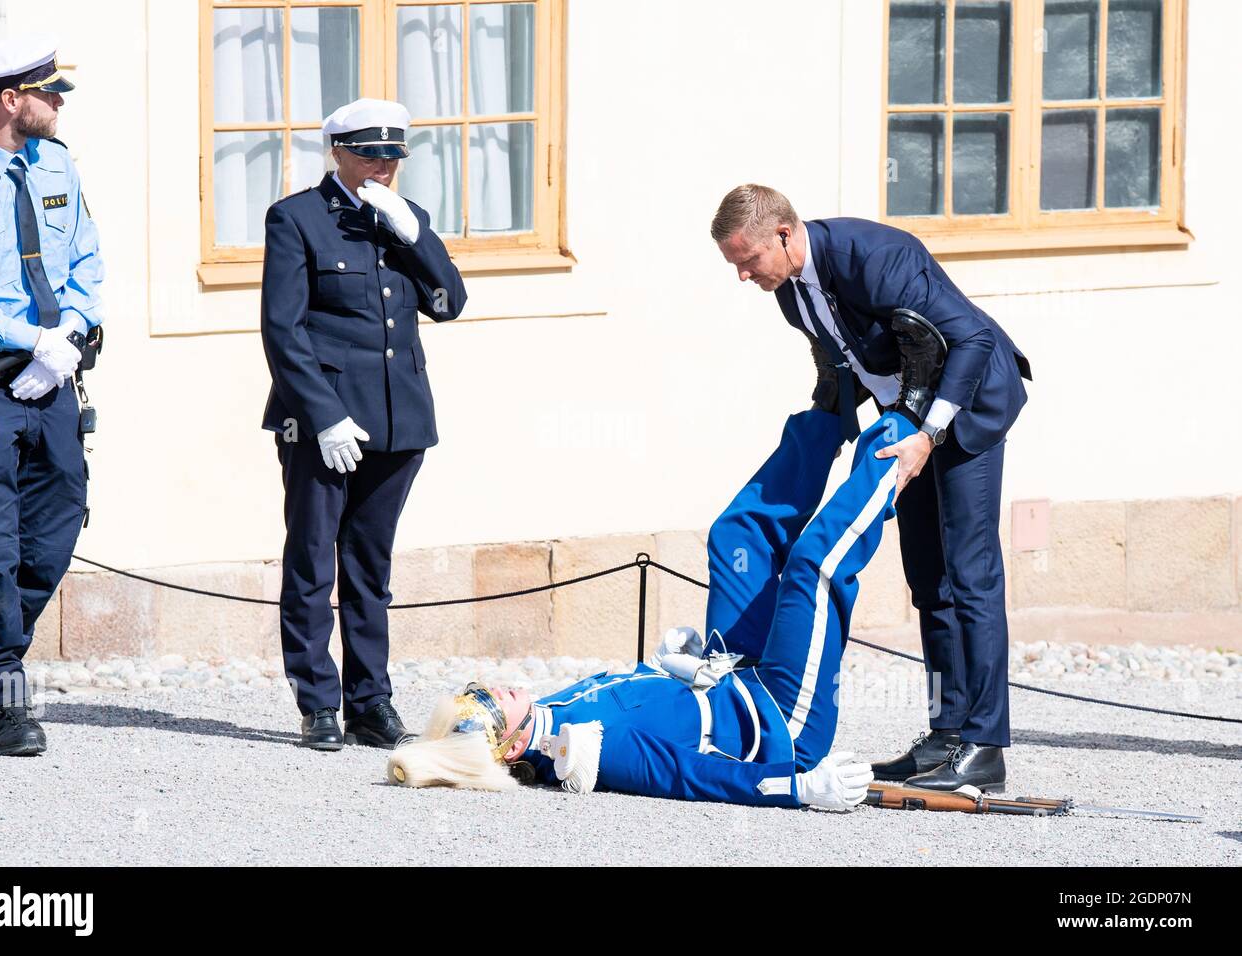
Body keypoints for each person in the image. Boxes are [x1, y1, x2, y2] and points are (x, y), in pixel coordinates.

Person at [384, 321, 949, 808]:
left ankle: (830, 411)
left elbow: (650, 706)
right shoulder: (580, 751)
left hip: (729, 674)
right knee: (813, 566)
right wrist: (799, 787)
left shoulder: (549, 715)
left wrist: (668, 668)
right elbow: (692, 776)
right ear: (506, 748)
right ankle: (910, 412)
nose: (493, 691)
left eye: (475, 691)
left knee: (736, 535)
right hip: (781, 723)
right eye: (487, 707)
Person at [710, 185, 1032, 793]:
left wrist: (928, 435)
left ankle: (985, 748)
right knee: (929, 581)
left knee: (970, 576)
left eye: (747, 259)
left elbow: (971, 339)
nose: (743, 275)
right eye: (735, 265)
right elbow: (844, 367)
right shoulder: (789, 294)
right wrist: (820, 433)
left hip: (969, 407)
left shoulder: (874, 256)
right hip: (906, 420)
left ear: (783, 234)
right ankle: (947, 733)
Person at [260, 98, 466, 751]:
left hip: (398, 421)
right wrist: (323, 417)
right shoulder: (295, 219)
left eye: (392, 157)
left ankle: (370, 701)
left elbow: (450, 303)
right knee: (313, 558)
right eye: (369, 155)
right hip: (324, 423)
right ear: (338, 153)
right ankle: (318, 702)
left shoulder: (404, 221)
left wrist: (415, 236)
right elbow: (282, 329)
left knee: (371, 565)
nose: (382, 167)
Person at [0, 35, 102, 756]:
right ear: (11, 100)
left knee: (55, 536)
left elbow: (87, 260)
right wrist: (23, 339)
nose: (60, 102)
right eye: (50, 91)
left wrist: (67, 329)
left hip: (55, 379)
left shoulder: (57, 164)